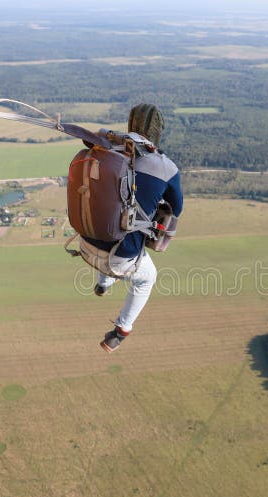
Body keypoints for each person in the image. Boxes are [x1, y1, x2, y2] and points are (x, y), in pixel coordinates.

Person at [86, 104, 183, 353]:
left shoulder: (106, 145)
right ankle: (120, 332)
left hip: (85, 240)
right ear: (157, 130)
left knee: (111, 215)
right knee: (147, 278)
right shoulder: (166, 167)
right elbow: (176, 207)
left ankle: (102, 285)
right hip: (118, 257)